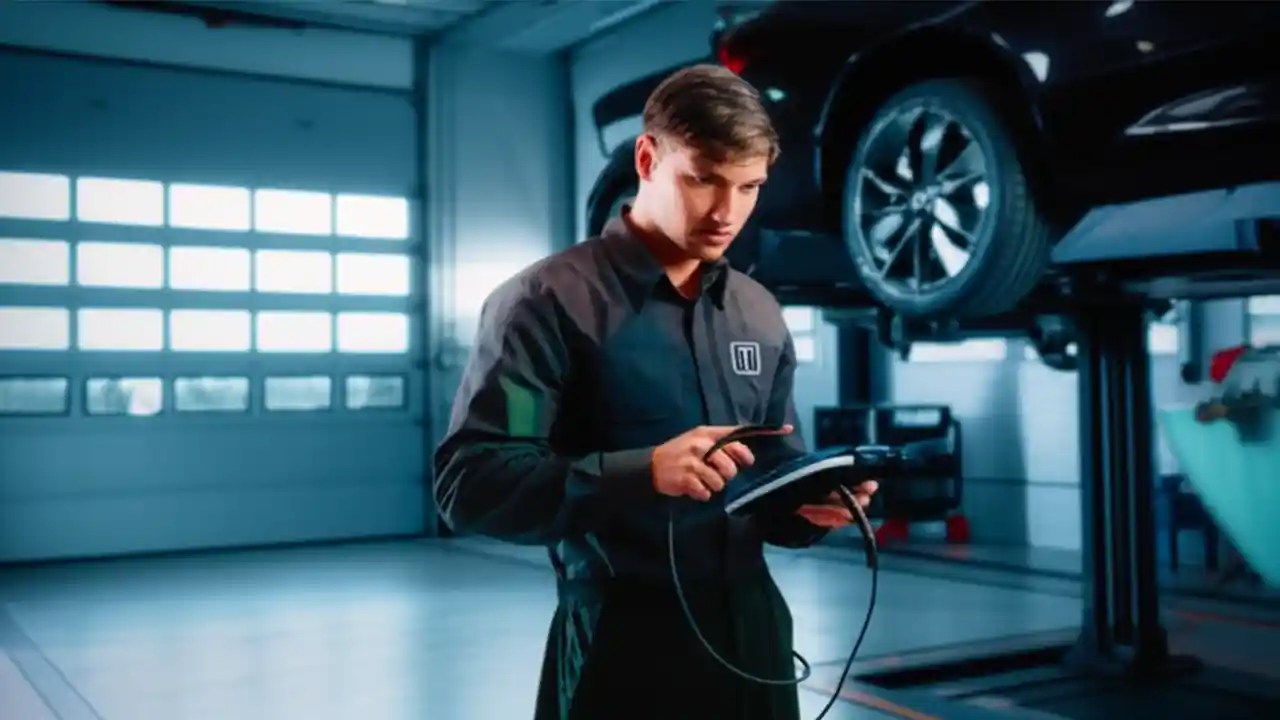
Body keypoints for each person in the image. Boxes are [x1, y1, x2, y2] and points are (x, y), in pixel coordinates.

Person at [433, 63, 879, 720]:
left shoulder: (758, 311)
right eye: (702, 179)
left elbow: (774, 473)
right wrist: (644, 472)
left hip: (754, 636)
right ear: (647, 158)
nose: (727, 211)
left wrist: (810, 507)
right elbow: (468, 486)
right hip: (622, 643)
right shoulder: (547, 302)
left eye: (749, 186)